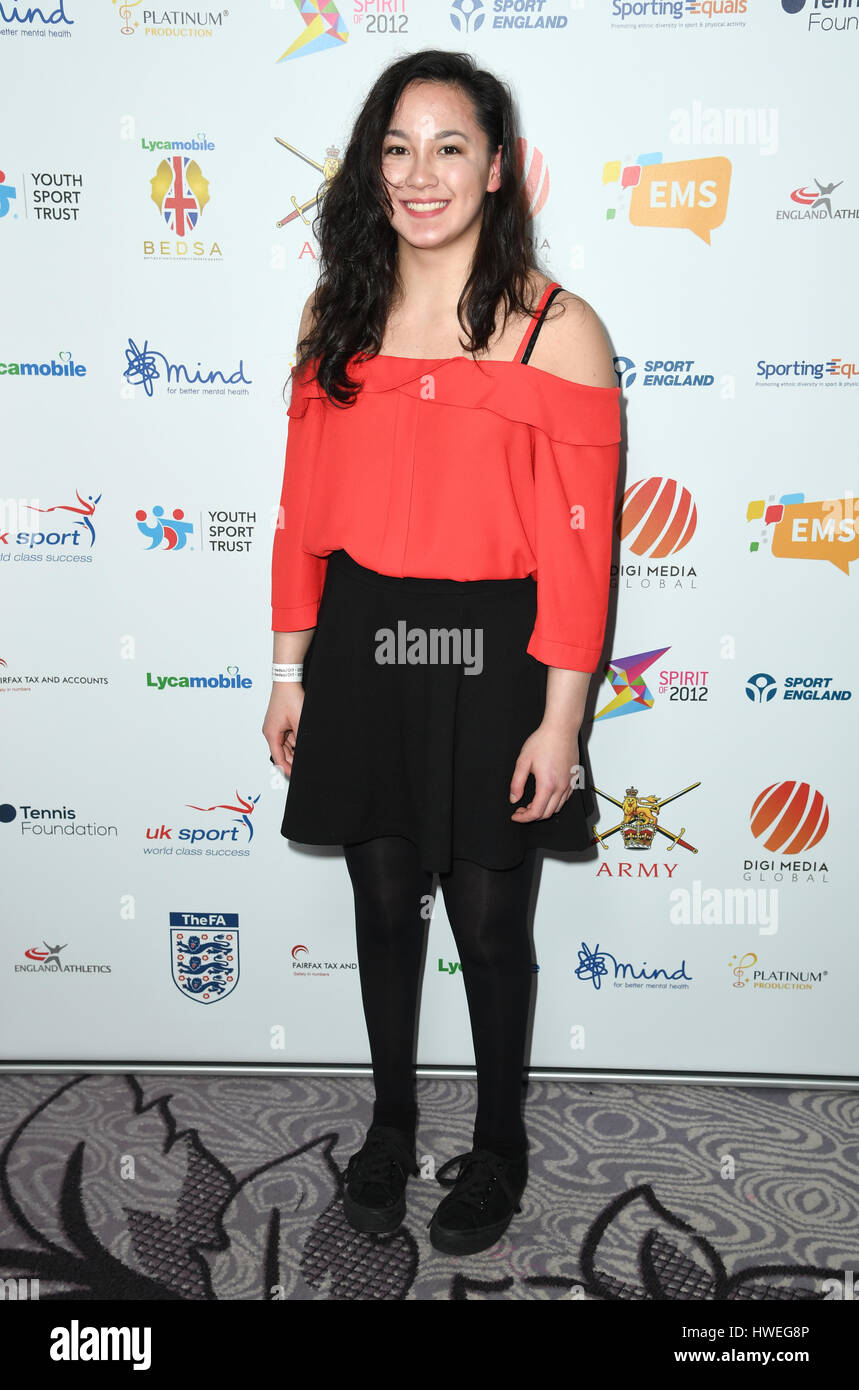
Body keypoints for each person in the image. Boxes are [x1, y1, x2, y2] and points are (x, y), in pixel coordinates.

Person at [263, 48, 621, 1258]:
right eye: (397, 147)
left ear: (497, 167)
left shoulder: (555, 329)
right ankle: (389, 1124)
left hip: (497, 652)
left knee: (487, 914)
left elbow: (580, 549)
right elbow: (300, 504)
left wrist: (561, 716)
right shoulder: (339, 312)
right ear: (373, 165)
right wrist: (286, 666)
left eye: (450, 146)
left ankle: (502, 1141)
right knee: (379, 898)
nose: (421, 174)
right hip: (363, 637)